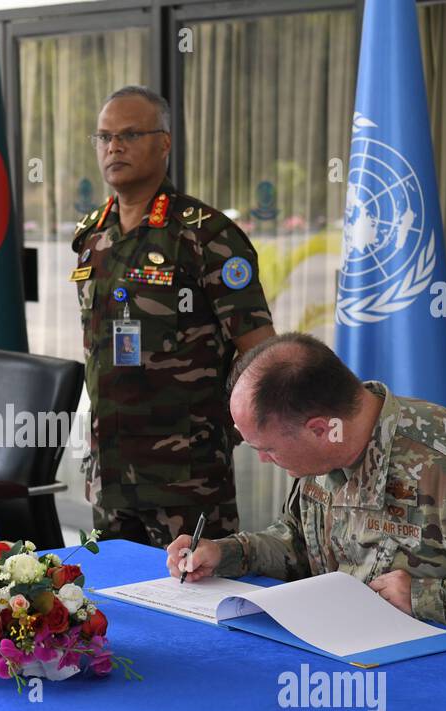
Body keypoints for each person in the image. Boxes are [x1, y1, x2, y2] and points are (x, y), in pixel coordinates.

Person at [165, 333, 446, 646]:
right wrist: (227, 553)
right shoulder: (330, 449)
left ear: (320, 429)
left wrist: (423, 598)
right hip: (362, 650)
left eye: (267, 449)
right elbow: (302, 543)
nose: (264, 460)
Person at [73, 85, 275, 548]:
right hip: (109, 469)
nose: (113, 147)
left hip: (186, 475)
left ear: (164, 142)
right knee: (113, 604)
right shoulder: (92, 235)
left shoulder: (206, 235)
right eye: (103, 138)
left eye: (128, 135)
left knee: (197, 601)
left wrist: (258, 430)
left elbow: (259, 350)